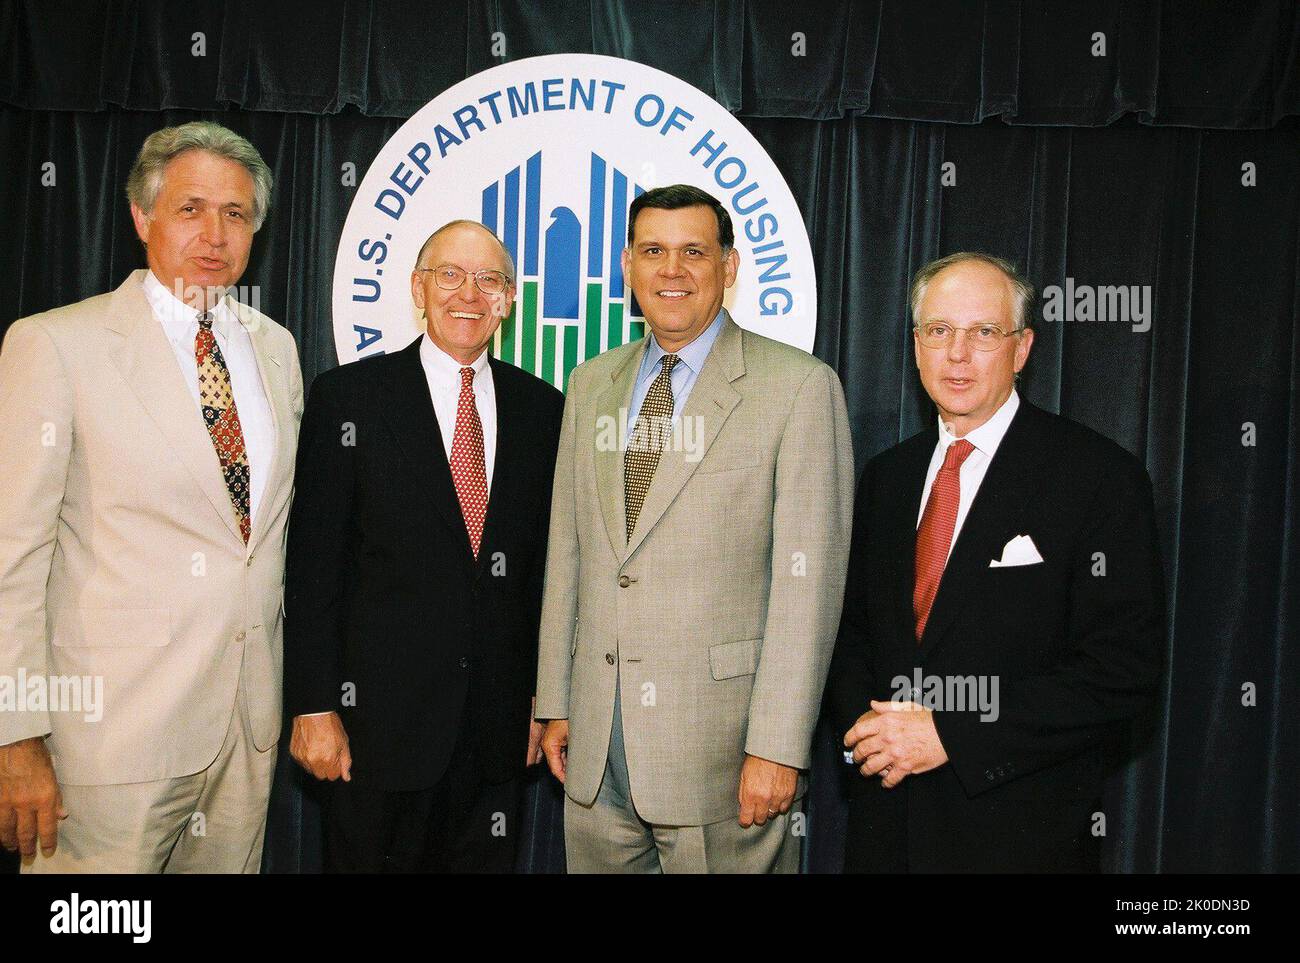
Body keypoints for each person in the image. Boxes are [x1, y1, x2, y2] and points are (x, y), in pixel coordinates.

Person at [0, 121, 302, 872]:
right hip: (109, 739)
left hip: (244, 730)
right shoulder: (55, 345)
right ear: (141, 217)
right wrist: (14, 733)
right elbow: (12, 555)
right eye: (191, 207)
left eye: (236, 214)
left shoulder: (276, 349)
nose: (215, 233)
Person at [535, 184, 854, 873]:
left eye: (693, 252)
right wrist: (557, 701)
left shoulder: (798, 388)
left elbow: (809, 590)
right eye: (652, 251)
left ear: (729, 267)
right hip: (596, 751)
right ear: (626, 266)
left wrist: (777, 745)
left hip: (723, 756)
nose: (670, 270)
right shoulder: (592, 382)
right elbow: (569, 552)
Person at [827, 252, 1164, 872]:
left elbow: (1121, 672)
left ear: (1022, 348)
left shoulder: (1098, 478)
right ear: (916, 345)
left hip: (1019, 835)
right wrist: (872, 738)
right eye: (938, 331)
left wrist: (951, 736)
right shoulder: (886, 478)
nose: (957, 353)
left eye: (983, 332)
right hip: (886, 828)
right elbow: (852, 634)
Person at [284, 220, 563, 872]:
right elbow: (312, 569)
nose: (470, 291)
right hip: (372, 735)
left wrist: (542, 703)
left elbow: (547, 577)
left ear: (509, 300)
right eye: (450, 274)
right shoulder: (349, 398)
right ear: (418, 287)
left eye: (489, 278)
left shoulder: (544, 410)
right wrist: (313, 704)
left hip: (495, 740)